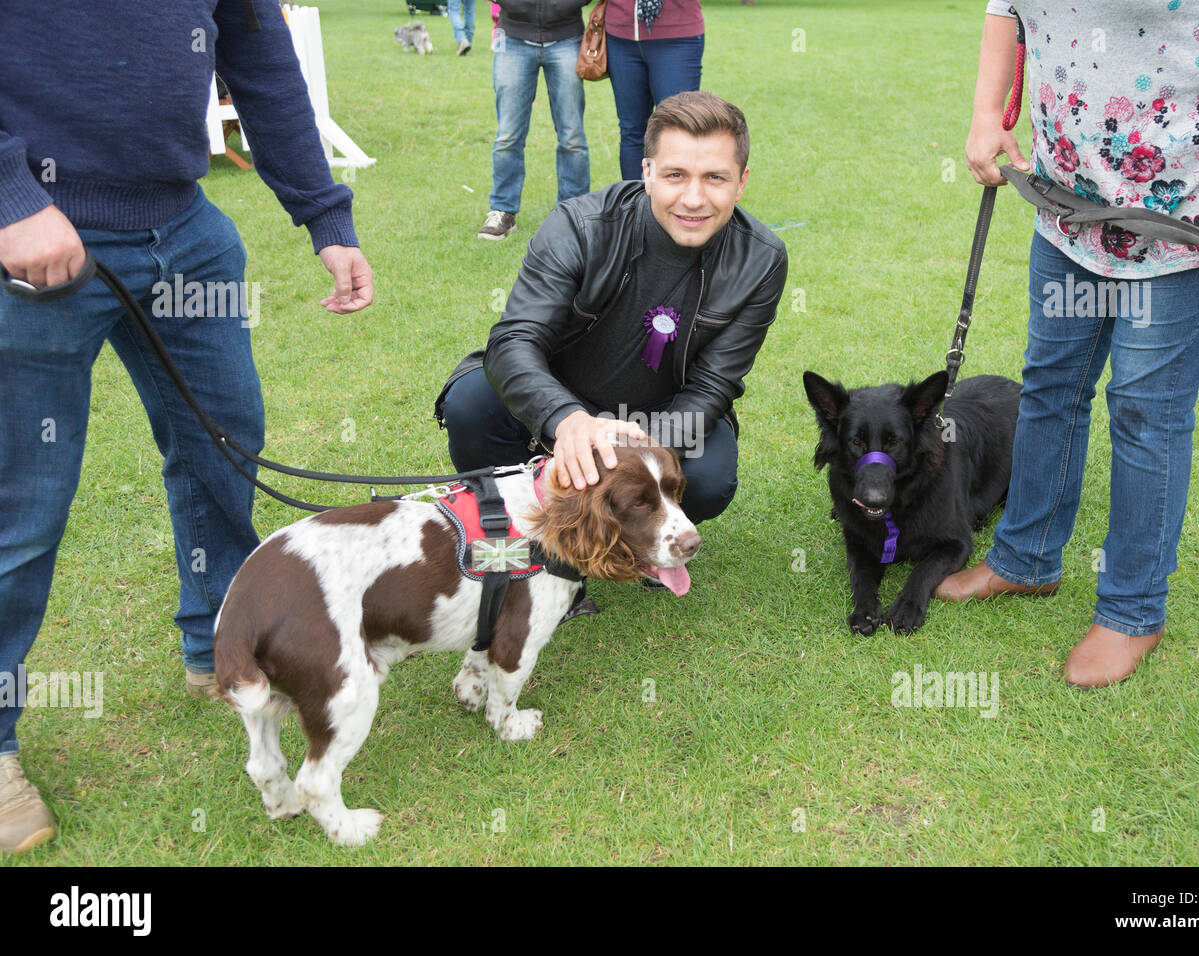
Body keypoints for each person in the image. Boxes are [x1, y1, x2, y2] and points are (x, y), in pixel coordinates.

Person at [0, 0, 374, 853]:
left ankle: (224, 642)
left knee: (223, 452)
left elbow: (260, 56)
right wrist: (11, 195)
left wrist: (326, 214)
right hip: (27, 242)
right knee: (20, 506)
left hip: (186, 231)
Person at [939, 1, 1199, 687]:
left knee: (1145, 408)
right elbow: (1005, 5)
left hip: (1191, 205)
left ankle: (1133, 610)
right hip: (1070, 194)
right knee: (1051, 383)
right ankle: (1027, 558)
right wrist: (988, 114)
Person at [441, 91, 787, 529]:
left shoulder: (762, 259)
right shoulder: (578, 226)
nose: (694, 198)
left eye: (715, 178)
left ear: (742, 181)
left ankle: (633, 540)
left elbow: (713, 386)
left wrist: (635, 451)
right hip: (562, 391)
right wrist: (566, 420)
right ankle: (512, 523)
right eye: (676, 175)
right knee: (472, 403)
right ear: (647, 172)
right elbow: (514, 340)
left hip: (659, 413)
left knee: (709, 475)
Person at [479, 0, 592, 239]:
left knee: (572, 136)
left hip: (566, 36)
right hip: (513, 37)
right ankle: (503, 210)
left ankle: (575, 212)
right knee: (508, 135)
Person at [604, 0, 705, 182]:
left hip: (677, 37)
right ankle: (634, 205)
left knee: (678, 128)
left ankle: (675, 203)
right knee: (631, 130)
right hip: (621, 36)